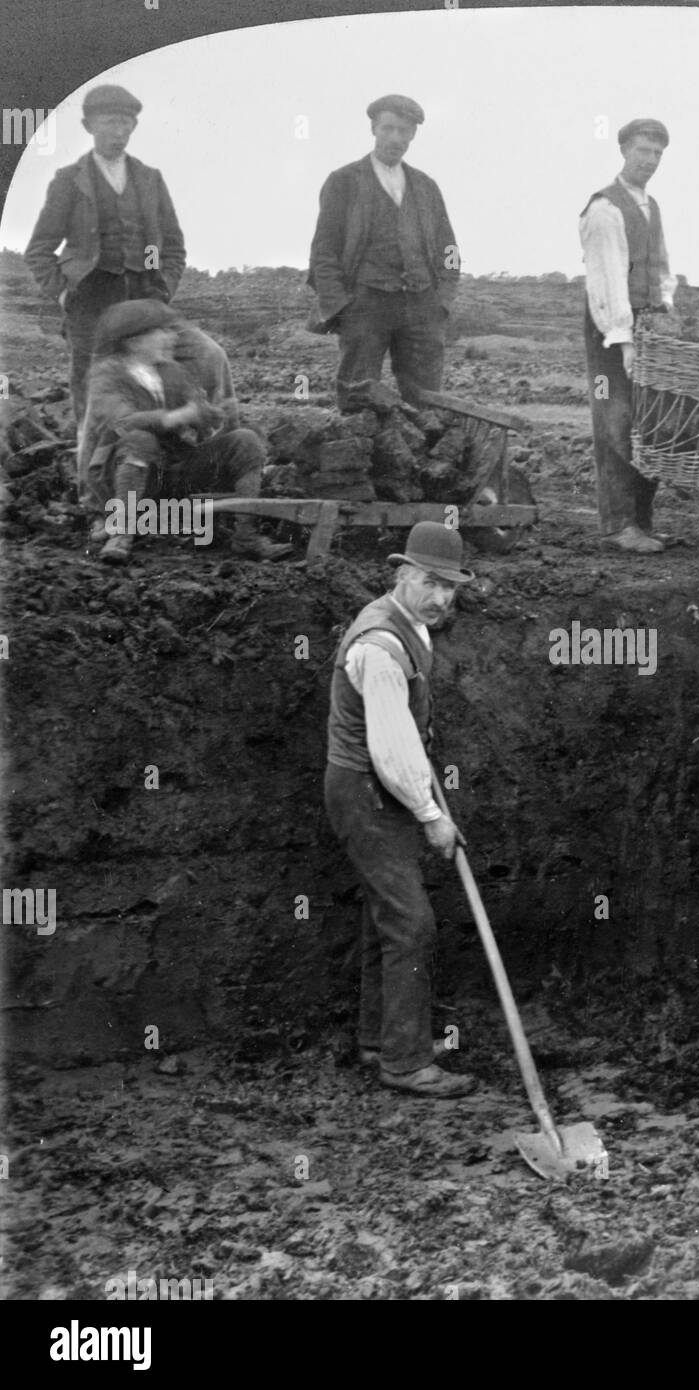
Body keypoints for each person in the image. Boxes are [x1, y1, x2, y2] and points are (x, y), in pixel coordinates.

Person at [324, 523, 477, 1099]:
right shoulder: (380, 646)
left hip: (377, 786)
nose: (441, 598)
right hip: (365, 790)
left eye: (451, 588)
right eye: (431, 582)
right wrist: (431, 814)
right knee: (412, 924)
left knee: (385, 920)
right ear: (402, 575)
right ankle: (407, 1063)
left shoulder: (409, 625)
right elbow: (390, 746)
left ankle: (380, 1041)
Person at [81, 299, 291, 565]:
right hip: (129, 476)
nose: (170, 339)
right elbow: (123, 421)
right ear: (133, 341)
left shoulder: (173, 372)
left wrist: (212, 414)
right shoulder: (106, 376)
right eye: (161, 332)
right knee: (139, 439)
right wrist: (177, 416)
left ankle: (246, 537)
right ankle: (122, 532)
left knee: (245, 440)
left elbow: (198, 412)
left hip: (172, 473)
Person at [24, 84, 186, 429]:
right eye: (111, 122)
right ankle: (90, 472)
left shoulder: (149, 179)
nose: (119, 132)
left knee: (146, 381)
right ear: (89, 126)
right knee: (91, 386)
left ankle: (138, 469)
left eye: (127, 124)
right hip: (90, 298)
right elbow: (39, 249)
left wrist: (161, 284)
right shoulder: (68, 181)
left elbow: (169, 244)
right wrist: (65, 292)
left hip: (142, 293)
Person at [307, 94, 459, 409]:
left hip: (421, 306)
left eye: (404, 131)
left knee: (428, 406)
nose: (395, 138)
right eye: (388, 129)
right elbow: (323, 252)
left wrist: (441, 300)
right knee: (358, 399)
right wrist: (342, 307)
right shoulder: (344, 181)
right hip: (365, 305)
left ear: (413, 135)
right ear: (374, 129)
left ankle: (426, 458)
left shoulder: (426, 186)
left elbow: (450, 250)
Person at [579, 117, 677, 554]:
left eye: (657, 153)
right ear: (624, 151)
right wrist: (624, 340)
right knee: (615, 420)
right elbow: (607, 281)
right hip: (611, 330)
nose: (650, 161)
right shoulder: (605, 209)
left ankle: (641, 521)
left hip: (649, 324)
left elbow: (661, 268)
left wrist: (666, 312)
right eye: (642, 151)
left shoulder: (650, 206)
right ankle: (618, 524)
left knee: (649, 423)